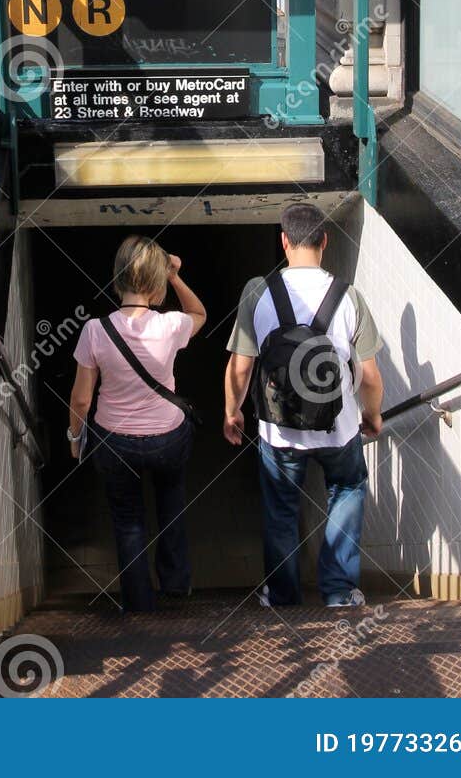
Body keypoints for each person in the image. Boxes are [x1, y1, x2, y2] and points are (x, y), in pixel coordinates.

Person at [224, 201, 384, 610]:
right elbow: (369, 375)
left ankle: (281, 597)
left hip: (279, 433)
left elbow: (240, 369)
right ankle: (339, 592)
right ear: (324, 241)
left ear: (284, 241)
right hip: (341, 426)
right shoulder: (349, 296)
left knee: (281, 509)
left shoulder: (258, 292)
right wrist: (372, 415)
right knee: (346, 489)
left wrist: (233, 411)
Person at [68, 238, 206, 613]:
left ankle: (139, 605)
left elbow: (81, 398)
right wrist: (177, 278)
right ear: (157, 282)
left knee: (128, 521)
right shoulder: (171, 324)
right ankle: (176, 587)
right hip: (168, 439)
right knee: (171, 503)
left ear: (117, 278)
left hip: (116, 442)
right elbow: (200, 314)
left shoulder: (95, 331)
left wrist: (75, 436)